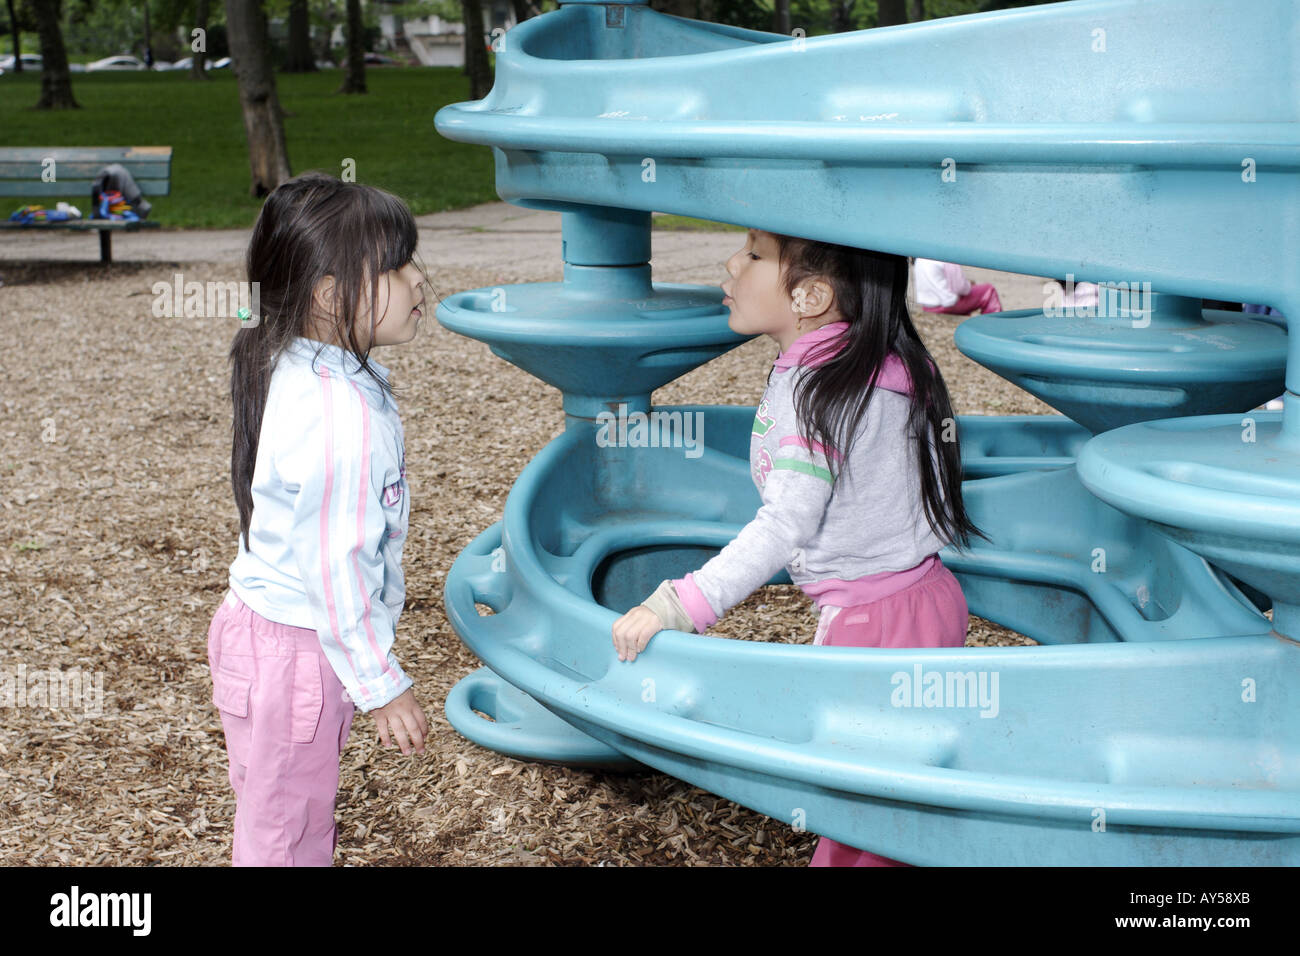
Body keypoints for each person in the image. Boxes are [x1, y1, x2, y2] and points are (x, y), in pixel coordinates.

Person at [611, 228, 990, 866]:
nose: (731, 263)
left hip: (875, 625)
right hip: (923, 599)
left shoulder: (820, 390)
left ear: (811, 295)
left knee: (859, 809)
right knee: (897, 794)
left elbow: (786, 520)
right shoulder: (878, 361)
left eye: (755, 254)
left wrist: (682, 603)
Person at [207, 172, 432, 866]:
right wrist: (380, 683)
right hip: (300, 655)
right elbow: (336, 565)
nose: (420, 279)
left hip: (260, 635)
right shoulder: (345, 415)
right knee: (288, 839)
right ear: (331, 296)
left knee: (272, 817)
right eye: (396, 266)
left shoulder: (292, 360)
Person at [913, 257, 1002, 315]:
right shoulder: (946, 257)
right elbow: (962, 289)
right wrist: (969, 285)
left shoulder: (921, 257)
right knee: (989, 290)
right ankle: (993, 325)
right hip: (945, 305)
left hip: (927, 305)